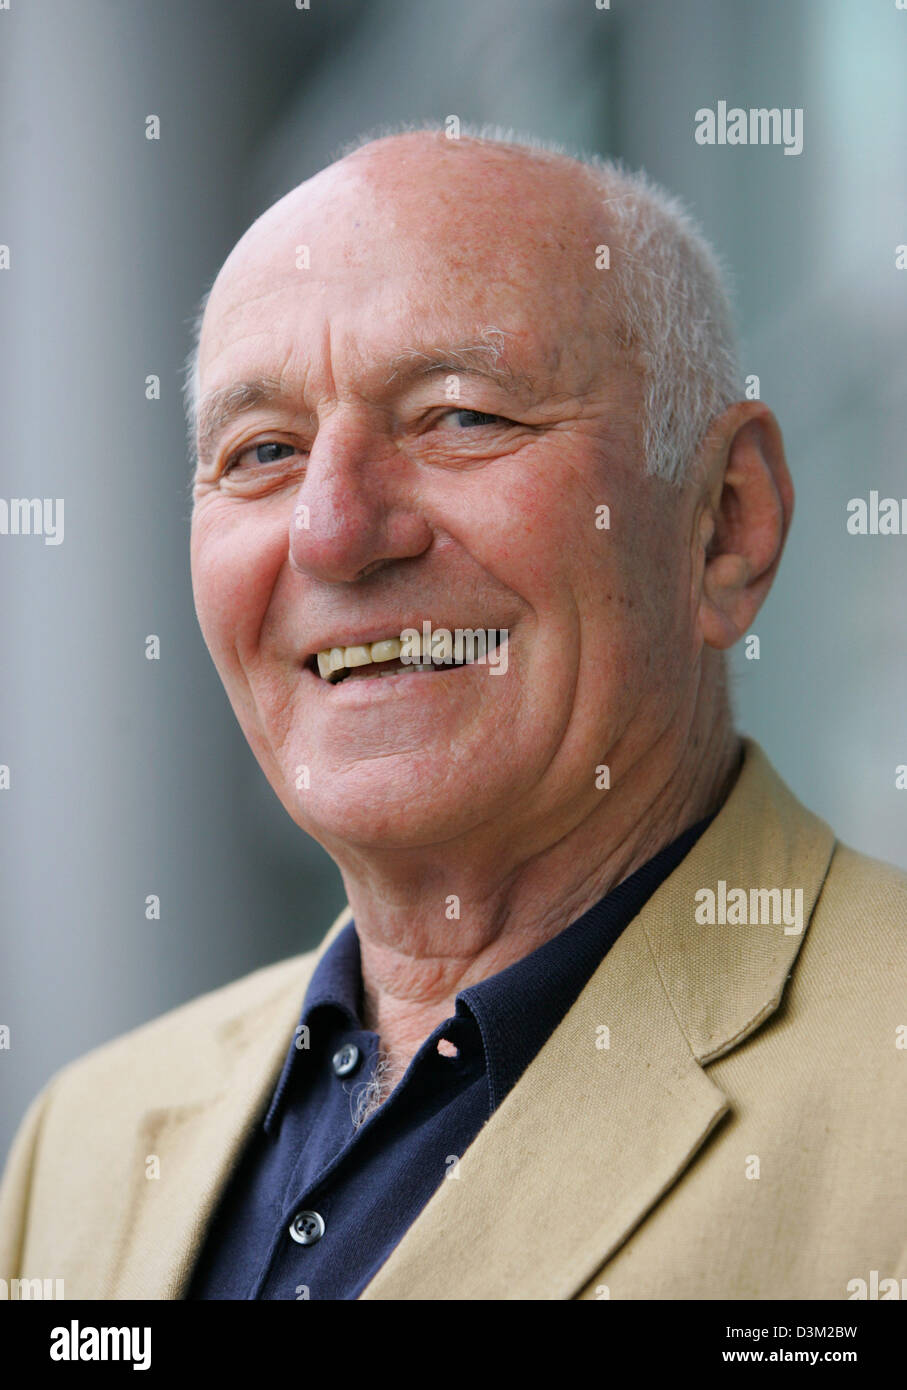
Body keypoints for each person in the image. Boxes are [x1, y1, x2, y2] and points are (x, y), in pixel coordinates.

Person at [2, 128, 904, 1301]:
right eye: (262, 450)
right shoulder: (81, 1139)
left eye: (462, 417)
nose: (332, 530)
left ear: (723, 524)